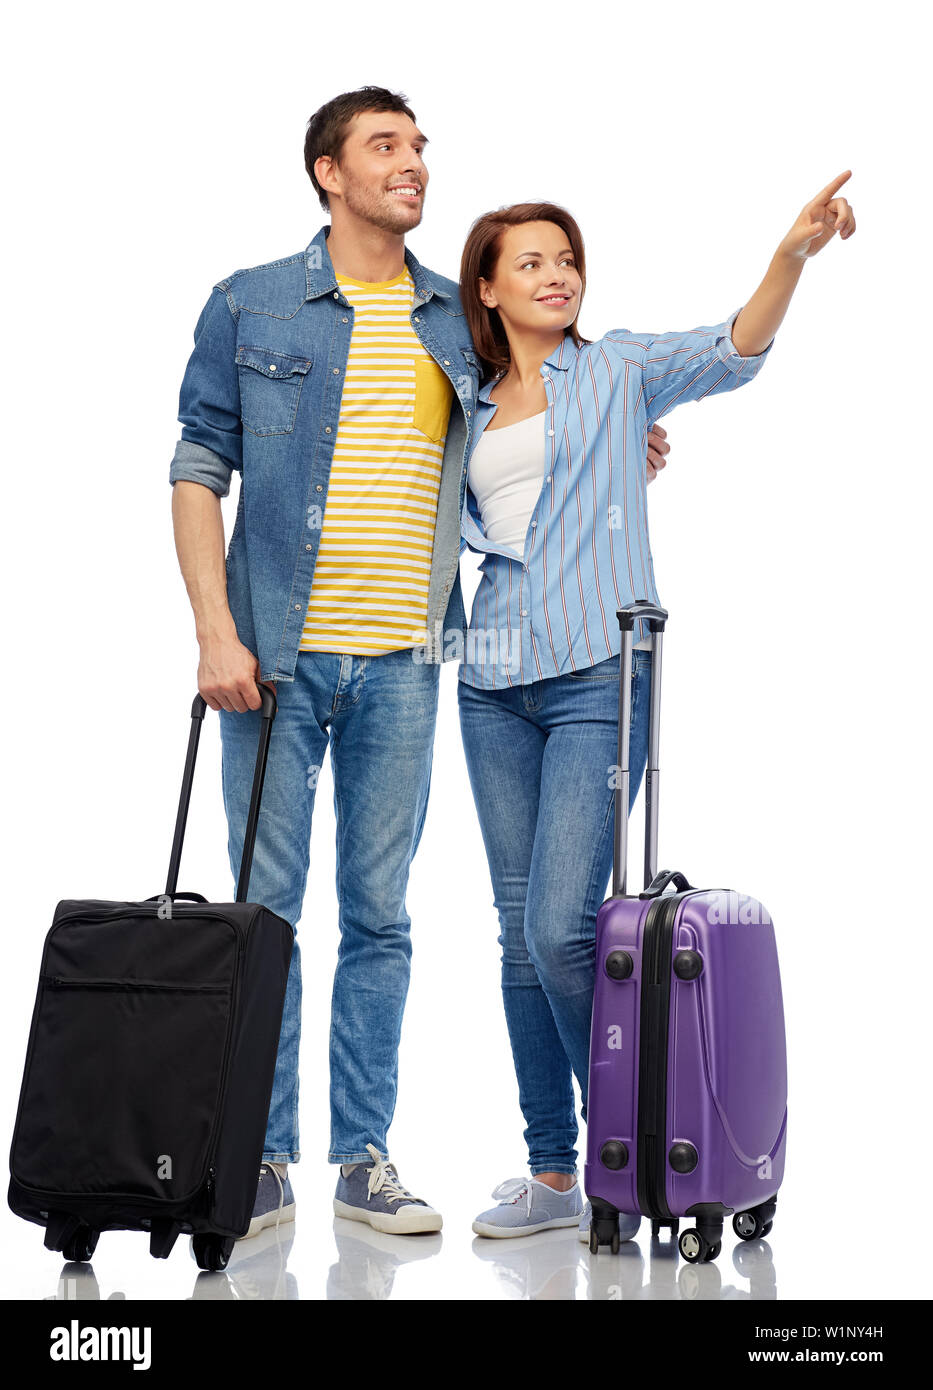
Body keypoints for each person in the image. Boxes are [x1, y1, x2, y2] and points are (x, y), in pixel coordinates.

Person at [168, 85, 675, 1238]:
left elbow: (541, 414)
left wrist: (617, 447)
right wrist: (213, 629)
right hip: (276, 660)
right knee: (267, 915)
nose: (413, 164)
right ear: (328, 174)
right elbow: (199, 468)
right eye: (384, 147)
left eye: (419, 147)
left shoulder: (460, 315)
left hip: (411, 657)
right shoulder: (251, 305)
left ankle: (363, 1158)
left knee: (382, 917)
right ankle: (258, 1157)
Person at [457, 179, 854, 1241]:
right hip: (489, 675)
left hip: (601, 671)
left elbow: (732, 348)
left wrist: (792, 257)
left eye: (565, 258)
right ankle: (555, 1172)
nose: (555, 275)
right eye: (530, 262)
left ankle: (634, 1134)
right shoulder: (461, 400)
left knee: (560, 926)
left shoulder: (620, 368)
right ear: (488, 288)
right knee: (515, 935)